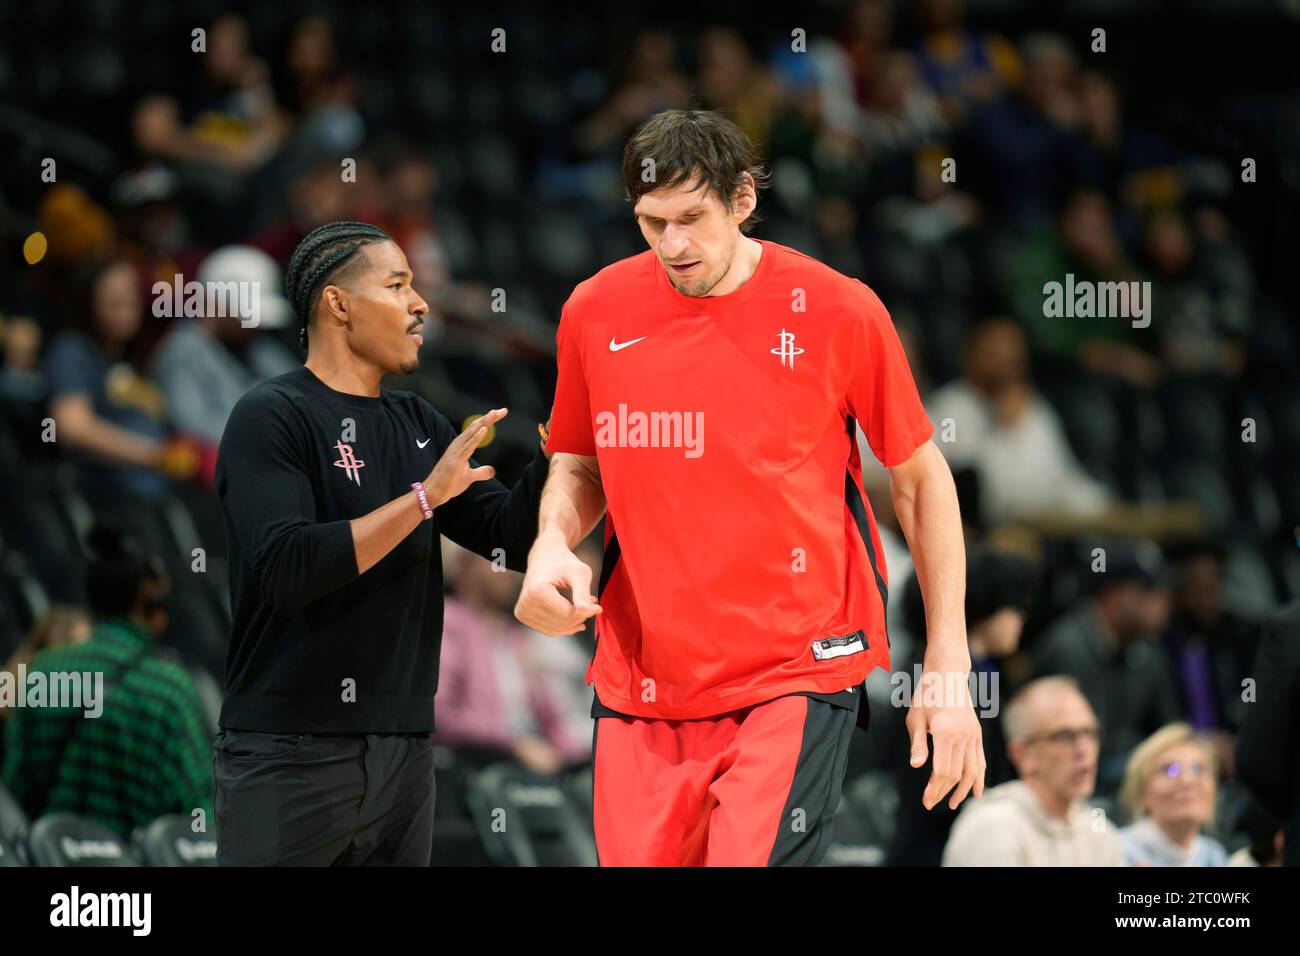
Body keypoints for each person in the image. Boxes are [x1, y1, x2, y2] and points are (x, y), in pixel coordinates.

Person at [515, 109, 977, 866]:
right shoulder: (594, 310)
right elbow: (579, 461)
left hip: (796, 667)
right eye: (651, 222)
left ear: (742, 201)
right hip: (644, 680)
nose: (673, 245)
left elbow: (923, 482)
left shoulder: (839, 308)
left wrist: (948, 672)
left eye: (692, 218)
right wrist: (551, 544)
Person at [213, 221, 550, 866]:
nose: (420, 303)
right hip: (291, 748)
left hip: (406, 749)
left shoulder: (416, 421)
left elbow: (512, 533)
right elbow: (289, 567)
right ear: (337, 304)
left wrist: (561, 441)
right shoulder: (271, 415)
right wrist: (423, 500)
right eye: (397, 285)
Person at [1, 524, 214, 838]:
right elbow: (196, 813)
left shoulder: (45, 670)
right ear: (146, 602)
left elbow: (16, 786)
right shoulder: (171, 689)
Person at [888, 546, 1037, 865]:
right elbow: (937, 786)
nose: (1020, 618)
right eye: (1011, 606)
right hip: (939, 847)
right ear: (982, 605)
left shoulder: (982, 672)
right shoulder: (931, 675)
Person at [942, 676, 1125, 866]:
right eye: (1065, 736)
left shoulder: (1096, 825)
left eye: (1090, 733)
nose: (1084, 750)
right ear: (1023, 754)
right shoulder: (992, 825)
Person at [1118, 723, 1228, 866]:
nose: (1187, 780)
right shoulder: (1117, 850)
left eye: (1198, 769)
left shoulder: (1213, 855)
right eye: (1170, 770)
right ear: (1141, 792)